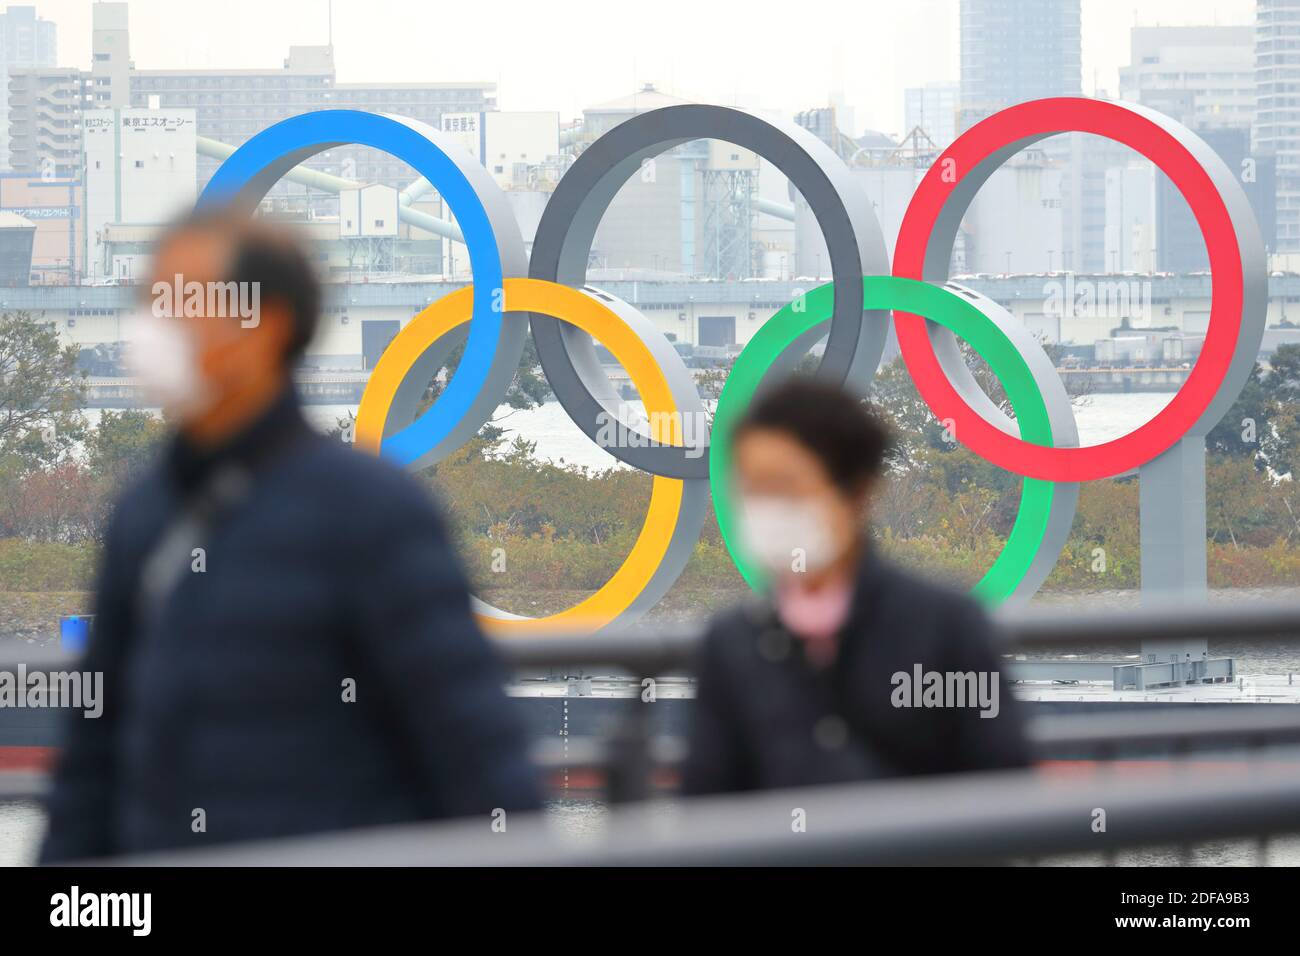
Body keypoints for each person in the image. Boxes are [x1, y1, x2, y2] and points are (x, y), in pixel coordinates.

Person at [40, 211, 539, 862]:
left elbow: (474, 755)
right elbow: (93, 755)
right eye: (149, 301)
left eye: (180, 301)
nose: (151, 327)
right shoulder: (144, 512)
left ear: (263, 325)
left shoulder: (372, 512)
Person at [681, 378, 1030, 796]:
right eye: (753, 490)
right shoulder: (731, 643)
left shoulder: (945, 627)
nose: (766, 508)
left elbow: (1003, 790)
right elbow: (707, 806)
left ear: (854, 488)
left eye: (785, 486)